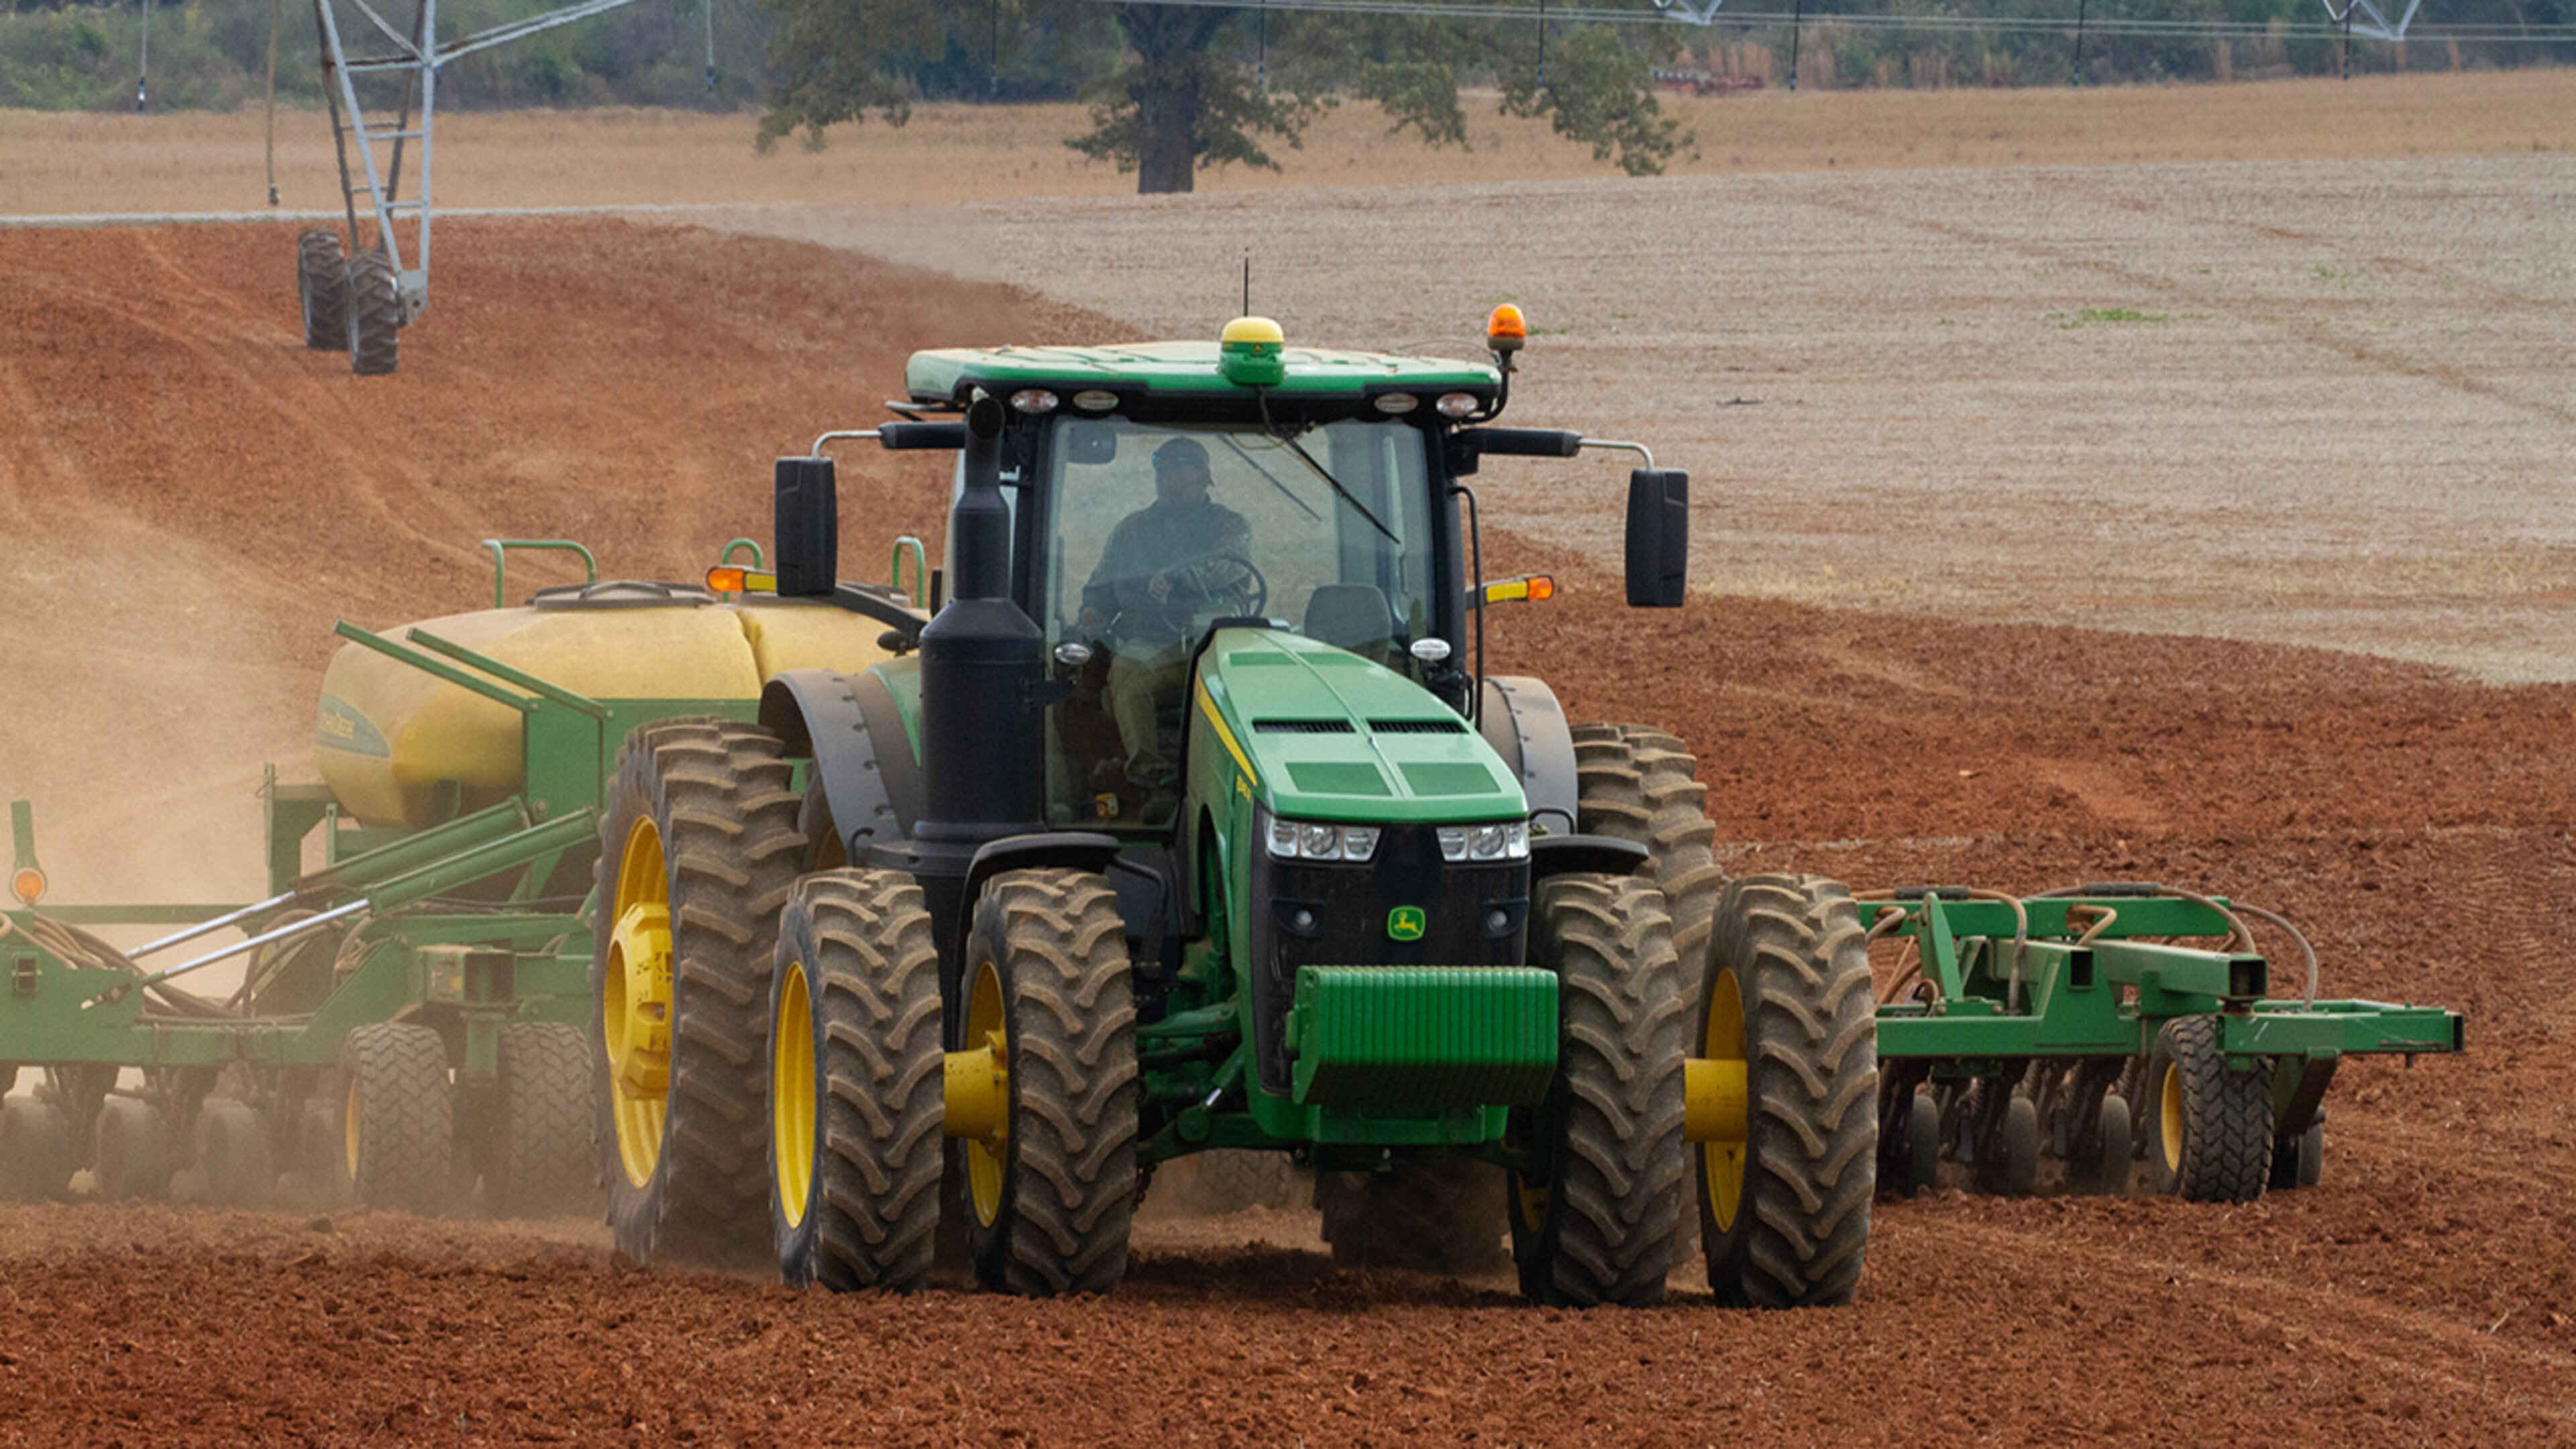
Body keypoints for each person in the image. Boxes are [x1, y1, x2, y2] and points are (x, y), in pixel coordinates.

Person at [1079, 437, 1254, 818]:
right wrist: (1092, 614)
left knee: (1142, 681)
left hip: (1213, 646)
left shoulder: (1229, 527)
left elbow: (1231, 565)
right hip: (1150, 641)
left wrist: (1180, 578)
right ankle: (1154, 780)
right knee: (1124, 672)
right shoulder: (1131, 532)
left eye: (1180, 470)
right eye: (1163, 471)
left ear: (1205, 477)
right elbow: (1101, 590)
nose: (1169, 479)